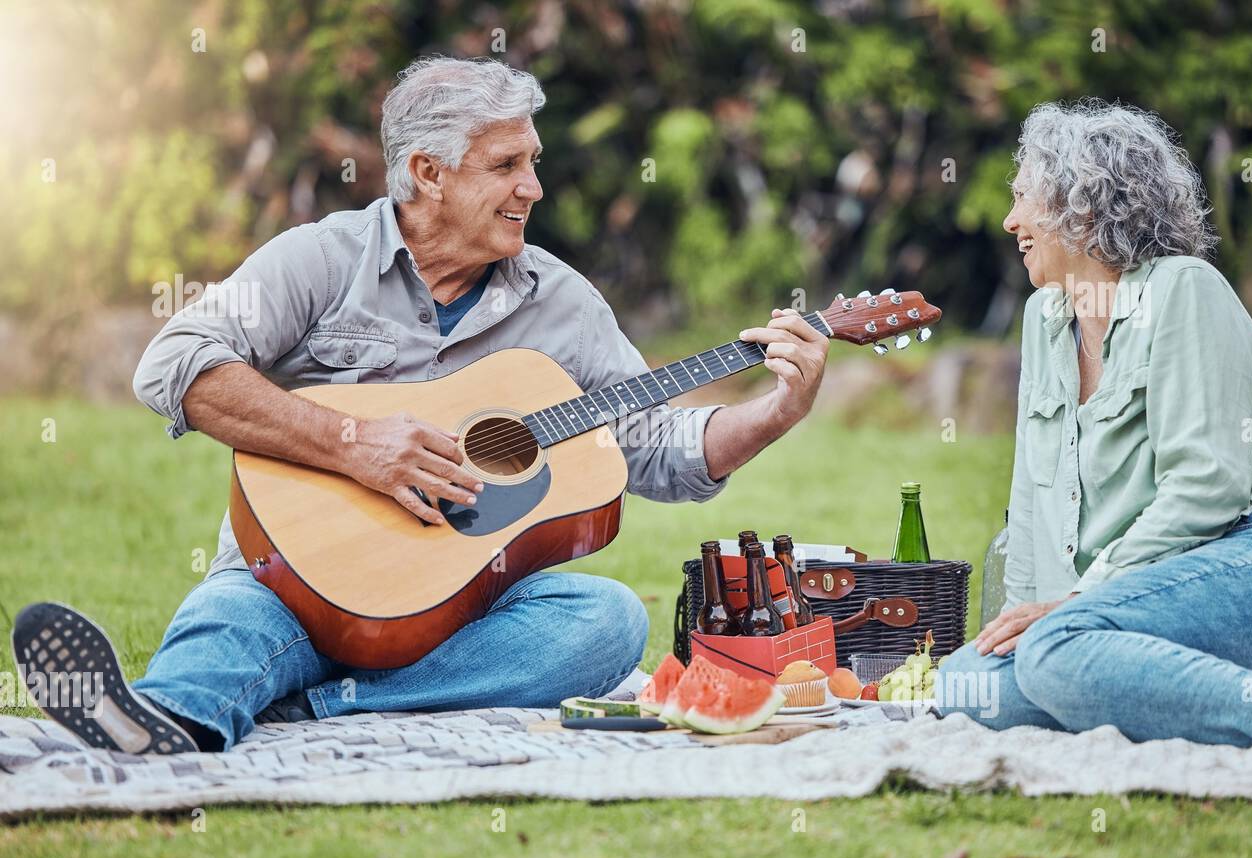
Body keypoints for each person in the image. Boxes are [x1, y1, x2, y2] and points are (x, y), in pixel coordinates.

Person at [12, 56, 831, 754]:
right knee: (226, 629)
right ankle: (157, 720)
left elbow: (656, 448)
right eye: (506, 166)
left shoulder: (564, 305)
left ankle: (326, 707)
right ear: (426, 174)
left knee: (608, 620)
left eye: (533, 162)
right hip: (298, 581)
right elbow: (174, 365)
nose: (534, 188)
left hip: (467, 607)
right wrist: (349, 441)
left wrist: (776, 412)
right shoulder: (320, 260)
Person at [937, 99, 1252, 747]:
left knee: (1054, 648)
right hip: (1126, 601)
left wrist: (1078, 607)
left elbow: (1209, 487)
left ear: (1082, 202)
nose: (1009, 219)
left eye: (1023, 198)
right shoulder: (1045, 321)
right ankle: (1153, 684)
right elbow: (1030, 510)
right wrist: (1013, 624)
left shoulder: (1183, 290)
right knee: (967, 685)